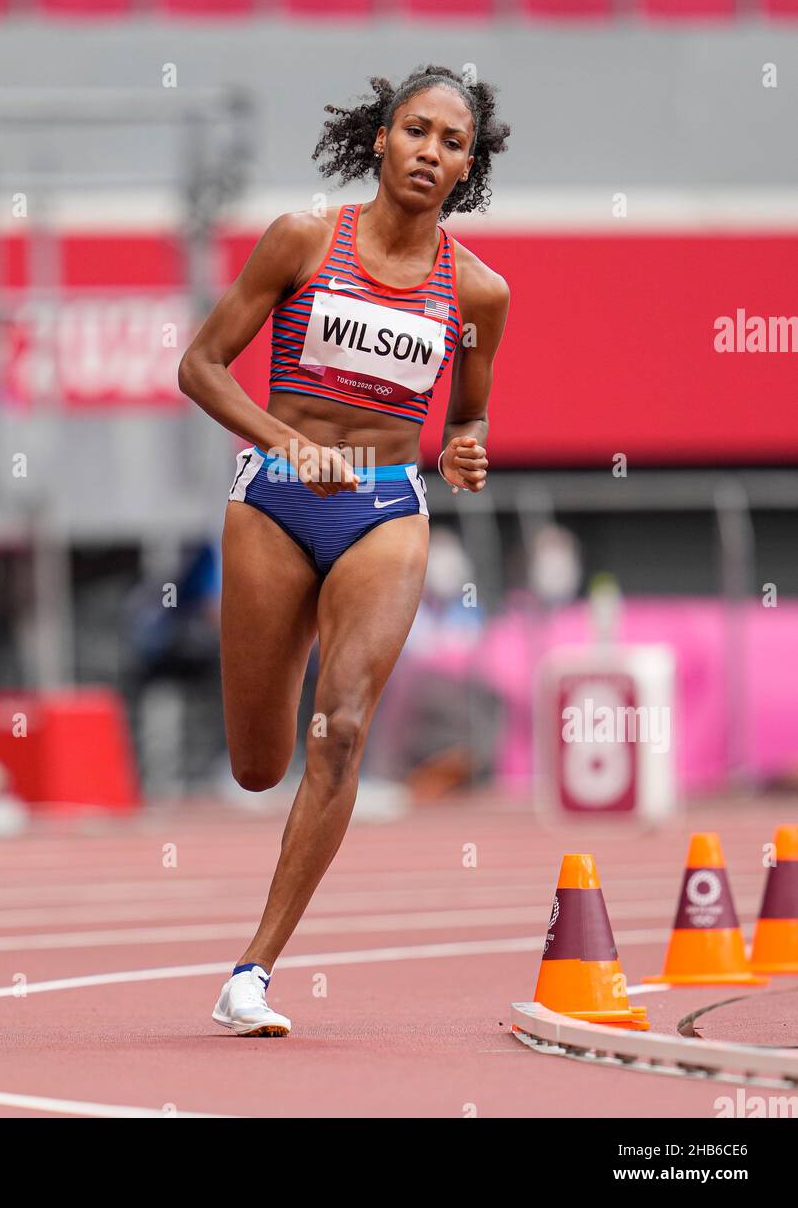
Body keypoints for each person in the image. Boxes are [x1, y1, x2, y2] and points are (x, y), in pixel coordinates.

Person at [177, 64, 510, 1035]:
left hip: (385, 510)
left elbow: (470, 426)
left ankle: (253, 973)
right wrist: (285, 442)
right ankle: (260, 769)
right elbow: (197, 365)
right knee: (255, 763)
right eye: (417, 130)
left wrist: (466, 448)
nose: (430, 152)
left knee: (346, 729)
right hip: (276, 502)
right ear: (381, 138)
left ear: (466, 168)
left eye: (453, 142)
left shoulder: (479, 292)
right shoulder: (302, 239)